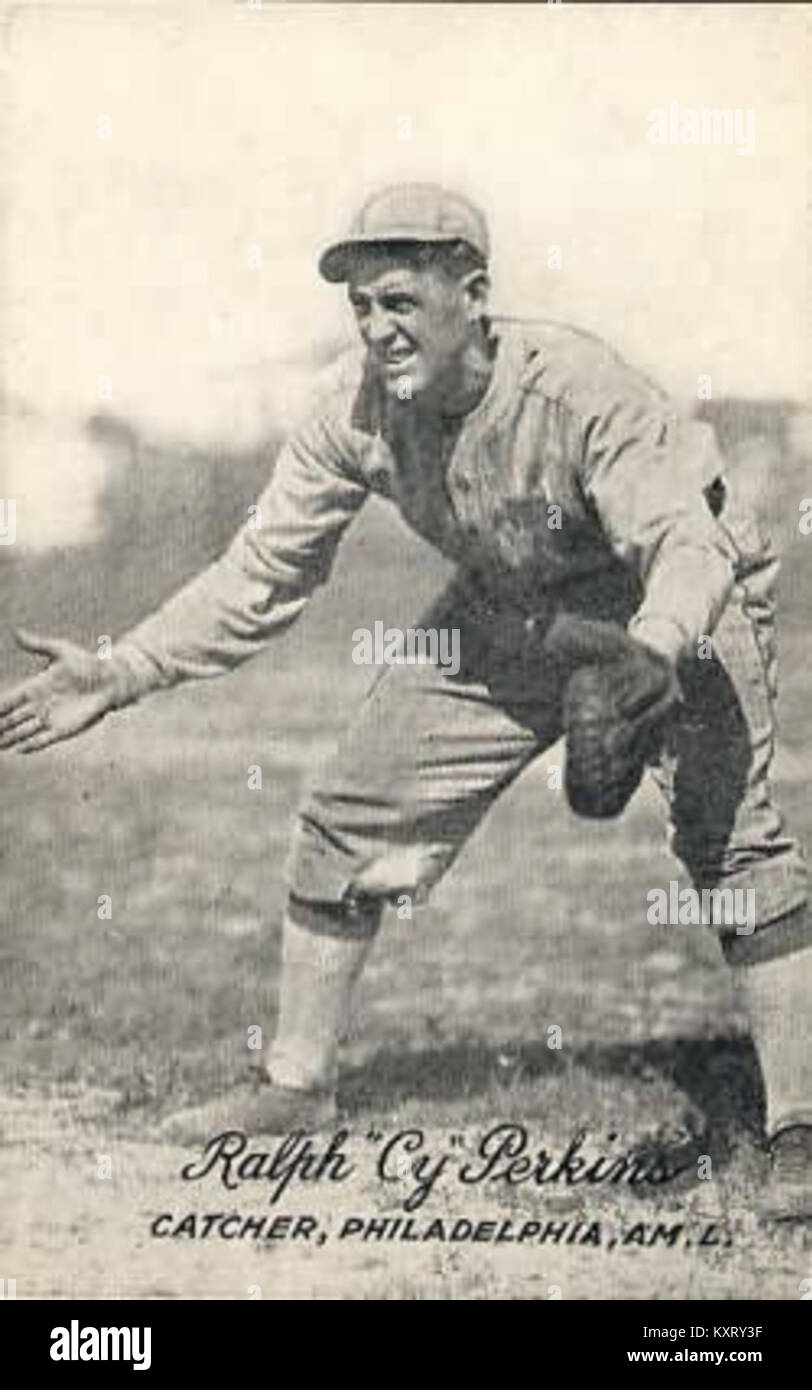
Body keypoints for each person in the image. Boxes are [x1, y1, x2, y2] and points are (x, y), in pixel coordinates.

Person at [1, 183, 809, 1217]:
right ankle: (295, 1085)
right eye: (361, 309)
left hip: (668, 602)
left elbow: (682, 541)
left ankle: (796, 1123)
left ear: (471, 295)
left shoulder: (573, 387)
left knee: (728, 838)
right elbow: (261, 573)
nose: (377, 330)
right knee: (350, 810)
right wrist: (123, 668)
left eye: (399, 302)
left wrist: (648, 654)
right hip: (512, 606)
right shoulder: (353, 409)